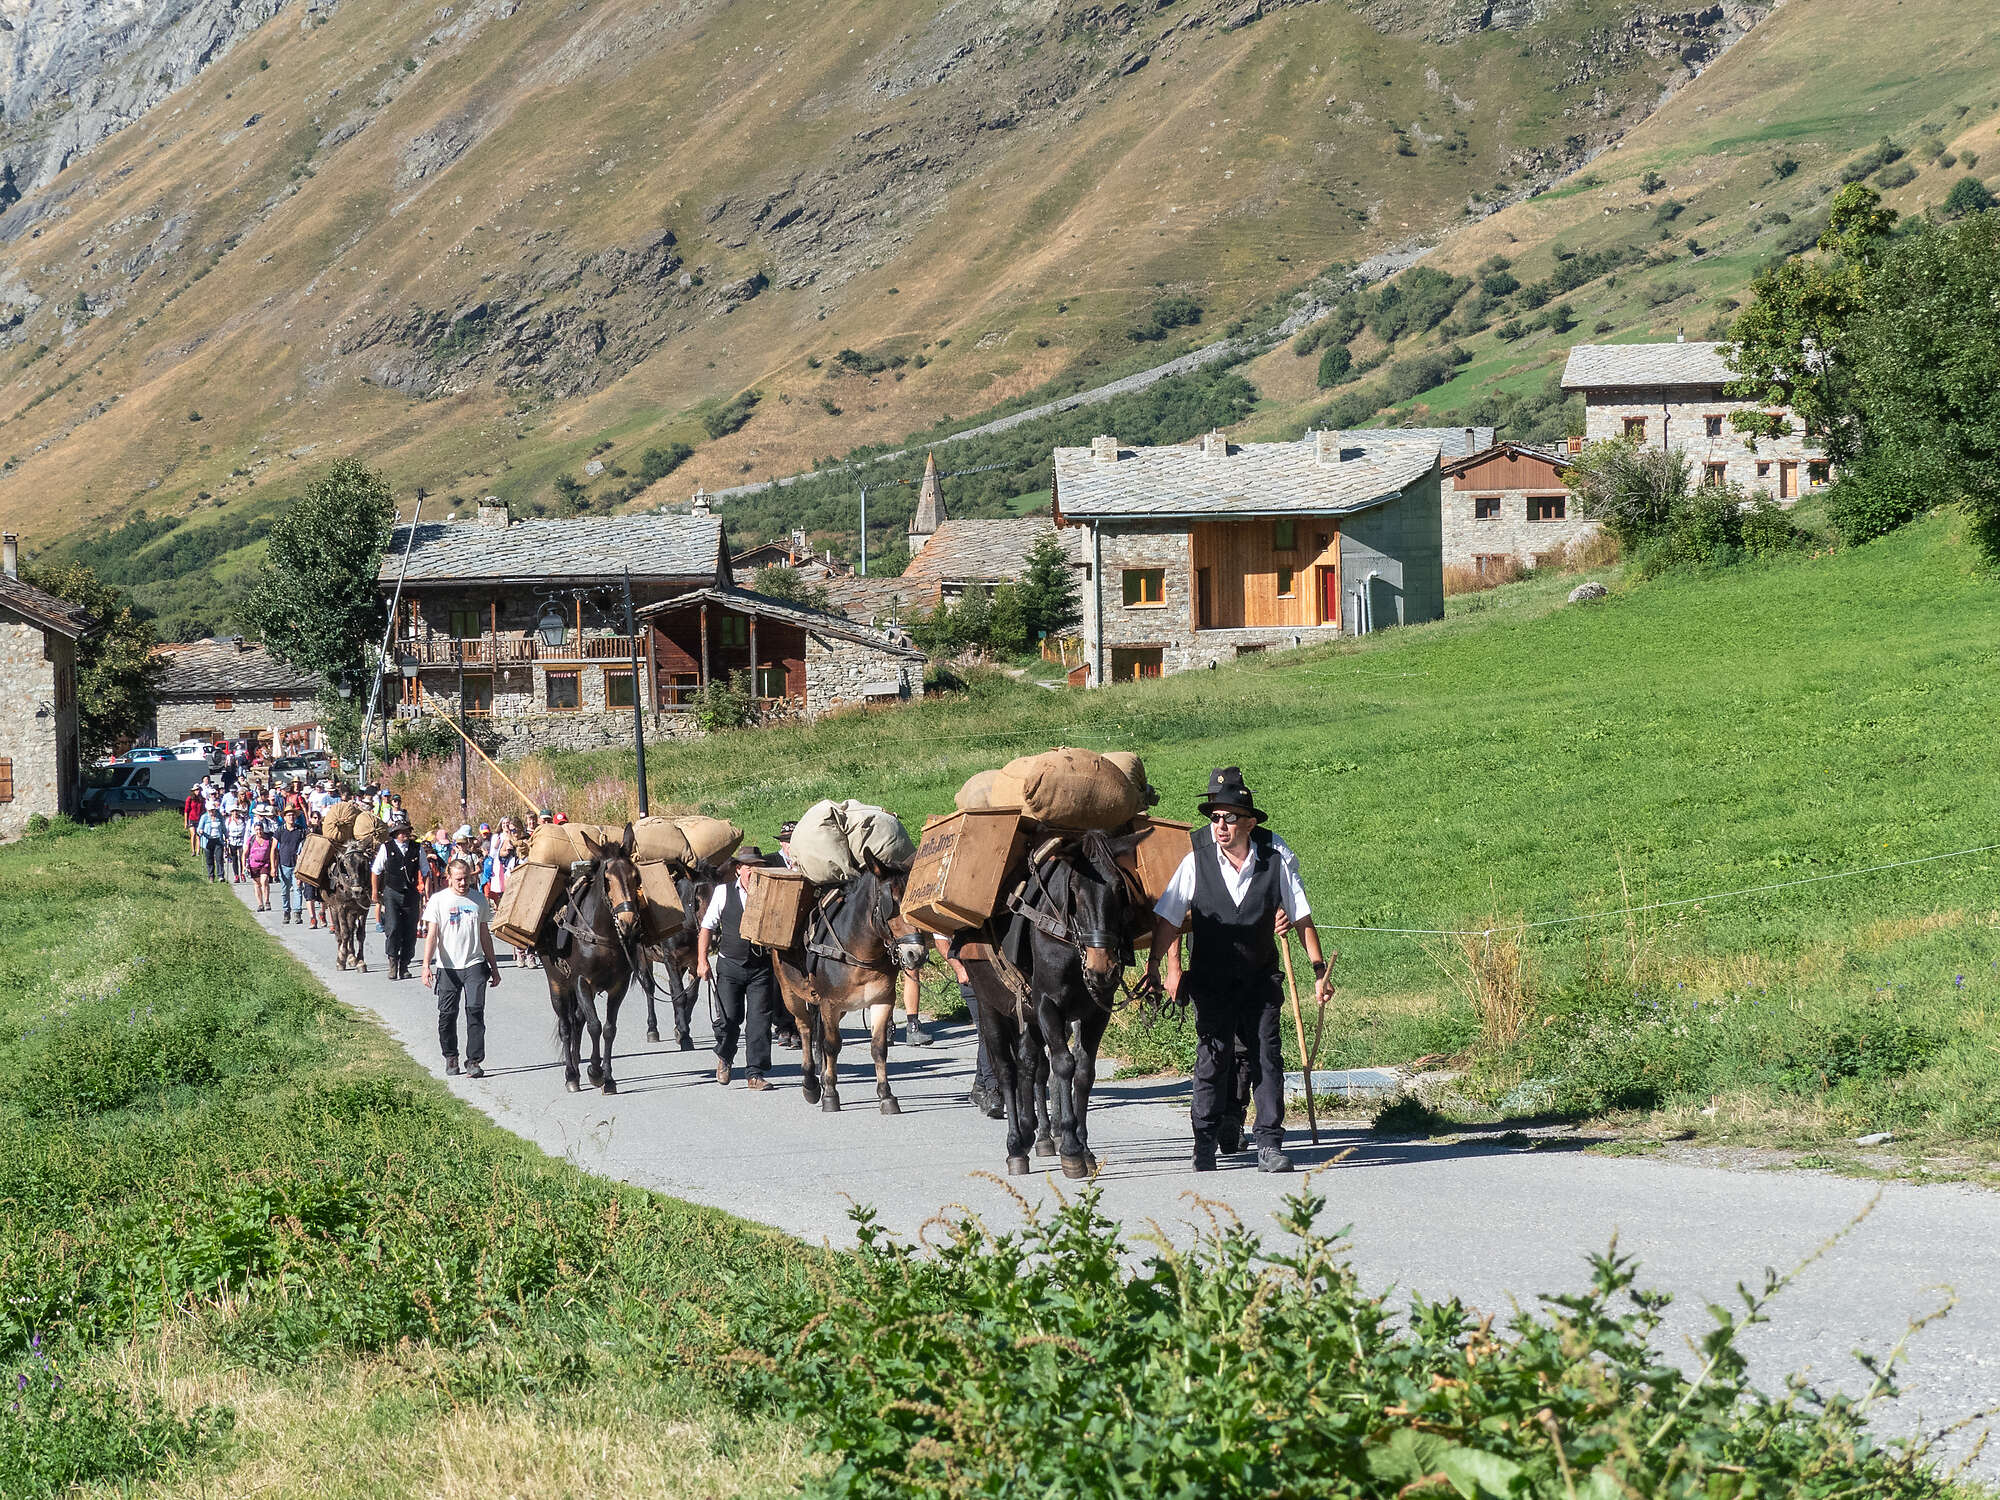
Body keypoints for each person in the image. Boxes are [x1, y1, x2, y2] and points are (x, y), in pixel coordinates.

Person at [1143, 767, 1335, 1175]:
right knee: (1212, 1060)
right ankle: (1204, 1142)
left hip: (1259, 981)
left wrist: (1319, 970)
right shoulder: (1195, 861)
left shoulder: (1274, 861)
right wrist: (1157, 965)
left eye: (1230, 818)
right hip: (1211, 982)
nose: (1221, 826)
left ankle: (1269, 1143)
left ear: (1249, 823)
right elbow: (1169, 919)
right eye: (1215, 817)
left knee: (1266, 1057)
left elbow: (1302, 918)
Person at [695, 847, 779, 1090]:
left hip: (761, 968)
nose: (753, 871)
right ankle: (725, 1056)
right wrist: (702, 961)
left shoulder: (770, 894)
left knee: (759, 1022)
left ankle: (755, 1073)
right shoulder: (723, 892)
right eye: (748, 866)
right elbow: (707, 928)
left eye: (757, 867)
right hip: (730, 966)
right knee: (729, 1019)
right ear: (738, 869)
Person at [421, 855, 502, 1077]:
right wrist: (426, 965)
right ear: (448, 878)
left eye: (466, 878)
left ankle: (474, 1061)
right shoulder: (438, 900)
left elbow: (485, 935)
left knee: (475, 1011)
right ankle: (451, 1056)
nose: (463, 883)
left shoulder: (478, 900)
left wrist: (494, 968)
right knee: (447, 1015)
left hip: (474, 964)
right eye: (458, 879)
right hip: (447, 967)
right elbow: (432, 936)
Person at [937, 933, 1005, 1118]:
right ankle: (993, 1089)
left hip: (1000, 978)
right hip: (972, 980)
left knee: (995, 1032)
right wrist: (959, 969)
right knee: (987, 1032)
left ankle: (979, 1086)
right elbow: (940, 939)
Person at [371, 822, 424, 980]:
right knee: (393, 927)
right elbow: (376, 871)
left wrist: (426, 892)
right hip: (392, 892)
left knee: (410, 930)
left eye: (406, 831)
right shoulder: (386, 848)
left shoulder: (417, 848)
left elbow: (426, 871)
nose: (404, 834)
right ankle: (393, 963)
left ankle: (405, 965)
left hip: (411, 893)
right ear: (394, 834)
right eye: (401, 832)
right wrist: (375, 891)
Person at [274, 808, 308, 924]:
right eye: (288, 815)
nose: (291, 817)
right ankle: (286, 911)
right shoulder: (280, 830)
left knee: (298, 888)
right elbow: (274, 848)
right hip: (284, 864)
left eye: (293, 815)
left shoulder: (301, 830)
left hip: (297, 865)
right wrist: (273, 867)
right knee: (285, 890)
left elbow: (306, 845)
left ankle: (297, 912)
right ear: (284, 817)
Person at [244, 812, 277, 911]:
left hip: (265, 864)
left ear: (263, 829)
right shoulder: (251, 840)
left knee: (264, 881)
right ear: (254, 830)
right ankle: (260, 904)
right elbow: (245, 853)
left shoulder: (268, 839)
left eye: (260, 829)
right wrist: (244, 866)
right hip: (253, 864)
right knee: (257, 884)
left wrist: (274, 866)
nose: (259, 831)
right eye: (257, 830)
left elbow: (274, 853)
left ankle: (267, 901)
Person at [195, 801, 229, 882]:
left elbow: (223, 827)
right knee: (209, 859)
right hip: (208, 840)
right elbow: (199, 828)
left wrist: (226, 836)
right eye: (210, 810)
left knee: (219, 858)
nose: (212, 812)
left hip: (218, 839)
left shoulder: (219, 817)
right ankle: (211, 876)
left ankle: (221, 876)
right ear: (207, 810)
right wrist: (200, 831)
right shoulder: (204, 817)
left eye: (213, 810)